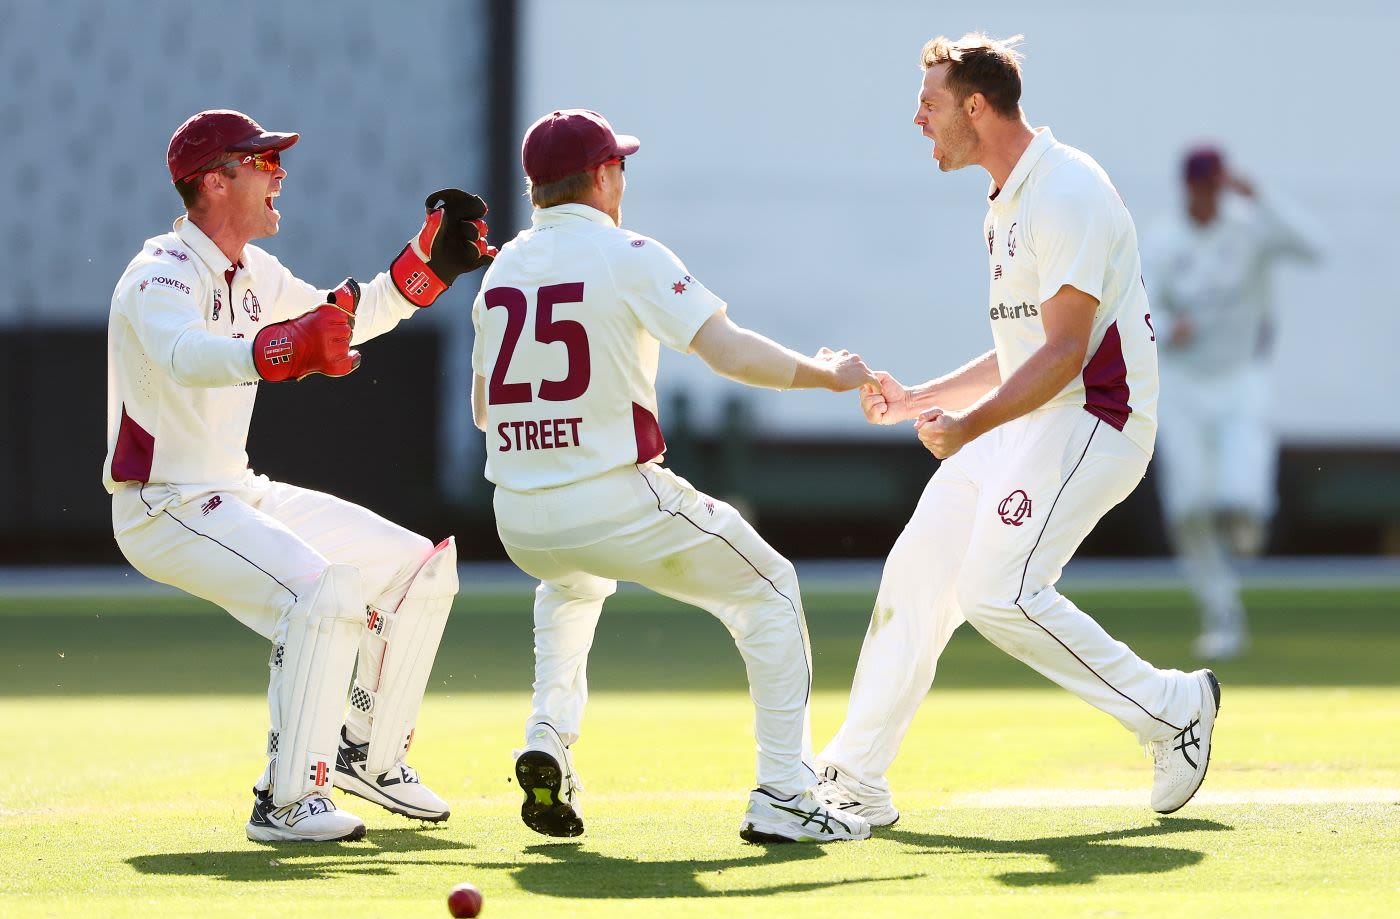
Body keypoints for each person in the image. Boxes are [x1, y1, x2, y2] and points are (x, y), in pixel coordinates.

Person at [813, 34, 1220, 828]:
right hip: (1035, 414)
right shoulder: (1005, 197)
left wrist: (965, 428)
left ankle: (1173, 709)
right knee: (917, 570)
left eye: (928, 105)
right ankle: (855, 776)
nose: (916, 120)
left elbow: (1067, 356)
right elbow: (1021, 353)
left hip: (1098, 419)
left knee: (997, 591)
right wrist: (916, 398)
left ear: (974, 106)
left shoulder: (1066, 192)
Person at [470, 108, 876, 844]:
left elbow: (480, 410)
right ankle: (786, 789)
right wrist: (826, 375)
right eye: (618, 165)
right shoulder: (630, 253)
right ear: (600, 176)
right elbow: (728, 353)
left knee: (570, 581)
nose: (622, 177)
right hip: (614, 496)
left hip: (518, 514)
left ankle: (548, 735)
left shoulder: (503, 267)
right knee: (772, 586)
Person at [104, 109, 495, 842]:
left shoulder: (257, 273)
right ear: (215, 181)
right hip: (162, 505)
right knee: (323, 589)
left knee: (417, 568)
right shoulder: (156, 274)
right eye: (262, 161)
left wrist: (429, 266)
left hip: (232, 488)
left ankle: (366, 755)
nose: (279, 172)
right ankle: (286, 800)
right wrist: (283, 348)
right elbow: (189, 356)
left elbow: (348, 317)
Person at [1143, 146, 1321, 660]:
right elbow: (1141, 302)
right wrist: (1166, 327)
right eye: (1200, 186)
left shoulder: (1251, 227)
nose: (1207, 196)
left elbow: (1313, 246)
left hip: (1242, 378)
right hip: (1182, 384)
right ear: (1187, 187)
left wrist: (1263, 199)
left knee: (1239, 497)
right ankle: (1222, 614)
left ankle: (1248, 518)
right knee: (1188, 508)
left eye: (1214, 186)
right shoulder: (1163, 240)